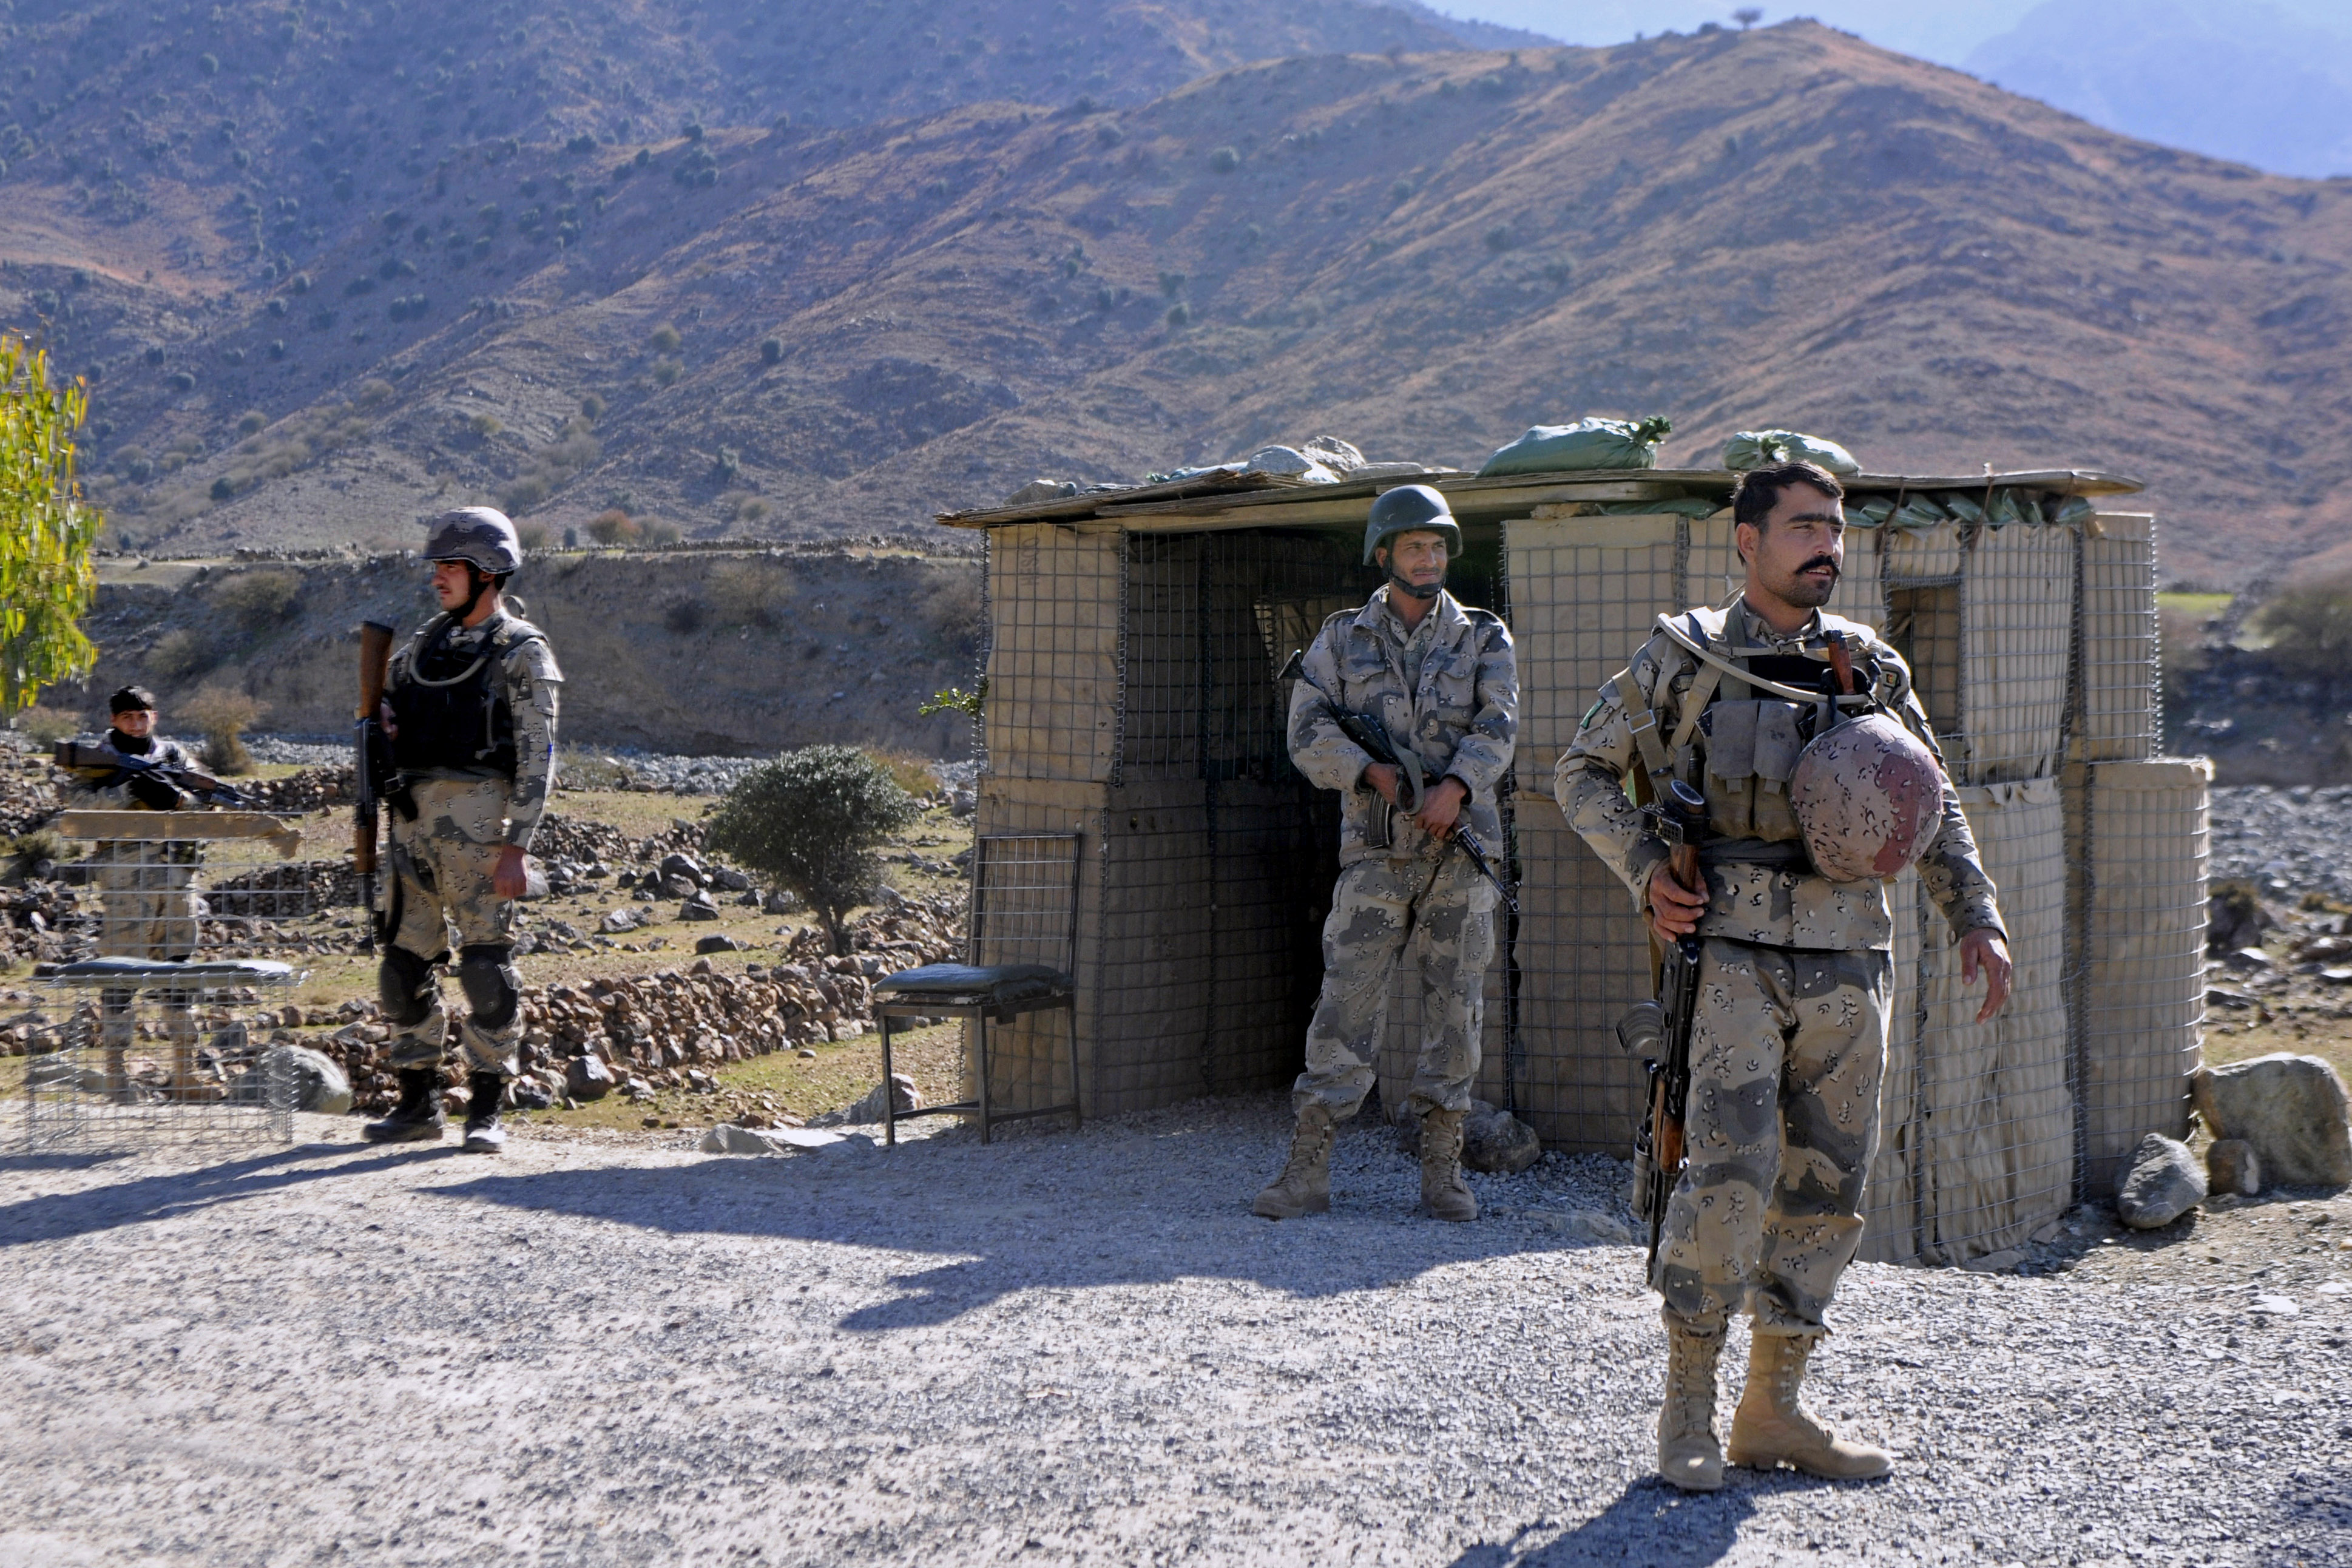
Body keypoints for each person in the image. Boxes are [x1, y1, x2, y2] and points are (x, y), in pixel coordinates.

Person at [1555, 461, 2013, 1490]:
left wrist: (1977, 917)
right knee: (1723, 1177)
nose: (1828, 546)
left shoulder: (1869, 666)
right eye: (1805, 526)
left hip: (1852, 961)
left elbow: (1927, 803)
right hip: (1728, 959)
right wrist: (1643, 873)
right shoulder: (1684, 660)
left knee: (1828, 1188)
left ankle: (1774, 1409)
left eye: (1837, 528)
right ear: (1746, 540)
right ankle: (1686, 1413)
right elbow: (1578, 770)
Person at [1253, 484, 1518, 1223]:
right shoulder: (1340, 639)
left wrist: (1455, 788)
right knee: (1344, 1006)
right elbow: (1307, 733)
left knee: (1455, 1011)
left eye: (1438, 547)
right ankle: (1308, 1168)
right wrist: (1370, 773)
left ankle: (1442, 1171)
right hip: (1375, 851)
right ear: (1384, 554)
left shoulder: (1484, 637)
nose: (1430, 559)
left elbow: (1500, 724)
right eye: (1414, 547)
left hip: (1458, 855)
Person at [362, 507, 563, 1153]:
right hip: (412, 828)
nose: (438, 579)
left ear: (488, 573)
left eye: (450, 567)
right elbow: (387, 710)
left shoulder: (522, 650)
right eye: (437, 567)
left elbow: (539, 755)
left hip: (482, 830)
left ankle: (485, 1108)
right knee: (401, 969)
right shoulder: (422, 647)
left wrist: (518, 847)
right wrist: (386, 726)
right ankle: (416, 1103)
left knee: (486, 972)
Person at [60, 687, 204, 1098]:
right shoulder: (98, 760)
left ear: (153, 717)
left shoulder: (173, 756)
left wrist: (176, 799)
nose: (136, 725)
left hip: (176, 877)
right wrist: (128, 791)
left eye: (142, 717)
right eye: (127, 717)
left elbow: (204, 803)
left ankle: (185, 1075)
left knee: (180, 972)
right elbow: (77, 810)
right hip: (126, 878)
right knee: (121, 976)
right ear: (114, 720)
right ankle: (117, 1078)